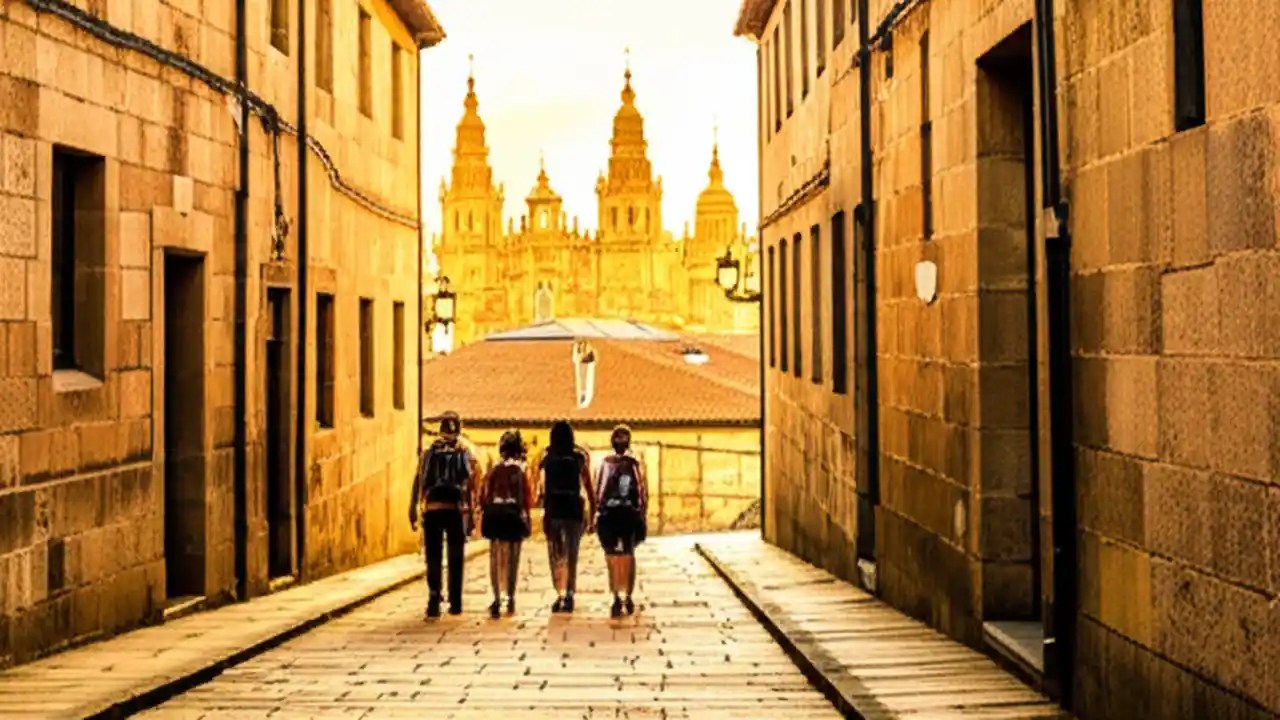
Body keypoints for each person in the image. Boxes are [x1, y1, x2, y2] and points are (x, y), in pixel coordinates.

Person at [410, 411, 479, 619]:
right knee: (455, 555)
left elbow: (419, 480)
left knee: (433, 555)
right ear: (458, 429)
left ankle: (433, 597)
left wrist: (413, 507)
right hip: (454, 509)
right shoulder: (463, 451)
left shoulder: (429, 452)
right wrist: (472, 513)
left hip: (432, 509)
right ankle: (455, 601)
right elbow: (469, 483)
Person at [537, 421, 595, 613]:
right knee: (572, 553)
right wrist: (593, 509)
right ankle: (569, 593)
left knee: (556, 554)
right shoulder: (579, 457)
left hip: (554, 509)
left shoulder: (547, 458)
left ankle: (559, 592)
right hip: (573, 509)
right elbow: (588, 485)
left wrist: (543, 513)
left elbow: (543, 487)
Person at [478, 430, 534, 618]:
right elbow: (527, 498)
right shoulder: (520, 471)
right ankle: (509, 596)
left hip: (494, 516)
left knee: (495, 557)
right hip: (513, 516)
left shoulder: (493, 470)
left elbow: (483, 495)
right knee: (512, 558)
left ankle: (496, 597)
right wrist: (527, 517)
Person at [595, 424, 647, 618]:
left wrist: (598, 512)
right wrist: (641, 513)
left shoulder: (606, 463)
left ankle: (616, 595)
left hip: (609, 514)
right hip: (628, 514)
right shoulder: (633, 464)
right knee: (628, 553)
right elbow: (640, 491)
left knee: (612, 556)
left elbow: (599, 489)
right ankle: (628, 595)